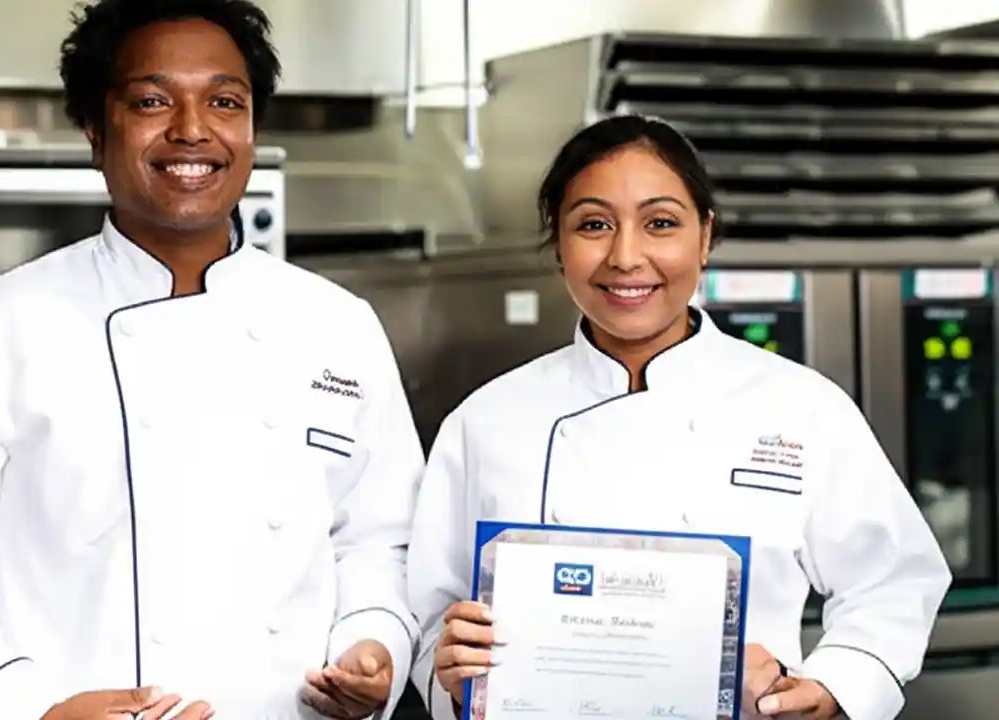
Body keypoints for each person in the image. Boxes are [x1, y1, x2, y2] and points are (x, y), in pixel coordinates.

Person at [0, 2, 424, 719]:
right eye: (152, 100)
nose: (191, 129)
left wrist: (375, 646)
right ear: (94, 128)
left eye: (224, 101)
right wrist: (29, 709)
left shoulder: (337, 325)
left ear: (251, 127)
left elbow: (380, 539)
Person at [406, 115, 951, 720]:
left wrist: (833, 689)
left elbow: (894, 581)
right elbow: (430, 616)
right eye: (593, 225)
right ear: (558, 245)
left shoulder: (802, 408)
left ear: (705, 235)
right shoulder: (486, 420)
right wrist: (448, 672)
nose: (626, 256)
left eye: (660, 223)